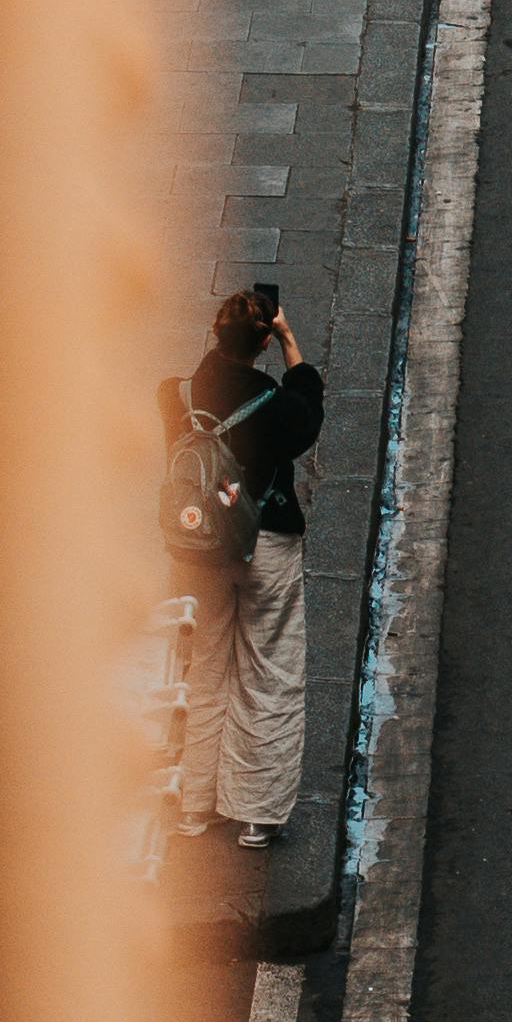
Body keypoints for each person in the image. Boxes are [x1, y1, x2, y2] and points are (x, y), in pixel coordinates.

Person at [168, 285, 324, 845]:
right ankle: (255, 813)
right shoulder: (277, 405)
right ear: (261, 342)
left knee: (201, 670)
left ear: (215, 333)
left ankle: (191, 805)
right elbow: (309, 410)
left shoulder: (176, 396)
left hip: (197, 549)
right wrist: (288, 340)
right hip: (266, 542)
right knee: (270, 670)